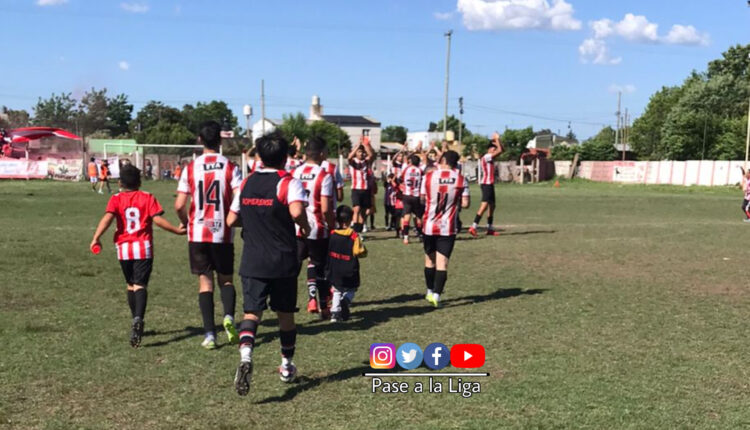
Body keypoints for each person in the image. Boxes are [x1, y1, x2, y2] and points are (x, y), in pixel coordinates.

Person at [227, 130, 310, 395]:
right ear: (286, 157)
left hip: (252, 260)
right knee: (285, 315)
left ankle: (246, 358)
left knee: (251, 313)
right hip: (282, 260)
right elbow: (297, 211)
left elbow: (231, 220)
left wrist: (252, 219)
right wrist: (305, 226)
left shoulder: (247, 182)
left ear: (260, 156)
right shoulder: (288, 182)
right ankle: (286, 365)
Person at [90, 164, 186, 347]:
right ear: (139, 182)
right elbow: (157, 220)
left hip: (123, 248)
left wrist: (96, 237)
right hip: (143, 247)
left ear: (120, 183)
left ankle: (135, 320)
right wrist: (176, 230)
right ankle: (138, 320)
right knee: (140, 284)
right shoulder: (147, 197)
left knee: (130, 284)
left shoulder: (116, 199)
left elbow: (107, 219)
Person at [175, 121, 242, 350]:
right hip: (221, 232)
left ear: (199, 140)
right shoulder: (230, 167)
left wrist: (186, 223)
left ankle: (210, 335)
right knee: (226, 280)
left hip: (198, 232)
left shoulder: (190, 168)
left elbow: (179, 205)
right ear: (220, 141)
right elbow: (239, 196)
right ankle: (230, 318)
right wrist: (233, 216)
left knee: (205, 283)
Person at [421, 150, 470, 308]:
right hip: (448, 226)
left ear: (442, 160)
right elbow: (465, 204)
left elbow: (422, 198)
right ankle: (437, 295)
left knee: (429, 260)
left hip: (429, 225)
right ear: (456, 164)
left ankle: (429, 290)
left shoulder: (428, 177)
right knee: (442, 263)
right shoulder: (461, 179)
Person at [292, 137, 335, 317]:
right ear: (322, 154)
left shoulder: (294, 173)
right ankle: (324, 306)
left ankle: (304, 300)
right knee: (321, 267)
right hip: (317, 228)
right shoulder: (324, 175)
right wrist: (332, 227)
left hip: (296, 227)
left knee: (297, 266)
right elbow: (325, 208)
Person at [327, 205, 367, 322]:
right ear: (350, 220)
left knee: (336, 290)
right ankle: (346, 301)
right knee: (351, 289)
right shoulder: (354, 236)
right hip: (350, 268)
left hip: (335, 268)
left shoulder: (332, 233)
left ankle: (334, 313)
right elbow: (359, 251)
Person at [469, 133, 503, 237]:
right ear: (489, 150)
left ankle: (489, 228)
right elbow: (500, 150)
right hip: (486, 183)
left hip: (489, 184)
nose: (494, 150)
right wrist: (497, 139)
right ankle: (473, 226)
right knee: (484, 205)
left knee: (492, 206)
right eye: (493, 148)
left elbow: (501, 149)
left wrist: (497, 141)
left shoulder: (489, 157)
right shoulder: (487, 156)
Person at [347, 138, 374, 235]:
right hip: (356, 189)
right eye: (359, 152)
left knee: (364, 212)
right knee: (357, 209)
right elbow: (349, 157)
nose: (361, 154)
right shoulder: (353, 161)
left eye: (363, 152)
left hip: (365, 189)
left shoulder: (366, 162)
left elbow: (371, 155)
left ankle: (359, 231)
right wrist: (358, 145)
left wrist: (366, 144)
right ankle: (354, 230)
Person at [400, 154, 424, 244]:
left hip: (407, 195)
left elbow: (401, 178)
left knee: (407, 216)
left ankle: (406, 237)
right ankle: (421, 235)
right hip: (416, 195)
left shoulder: (406, 169)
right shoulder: (420, 170)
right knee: (418, 217)